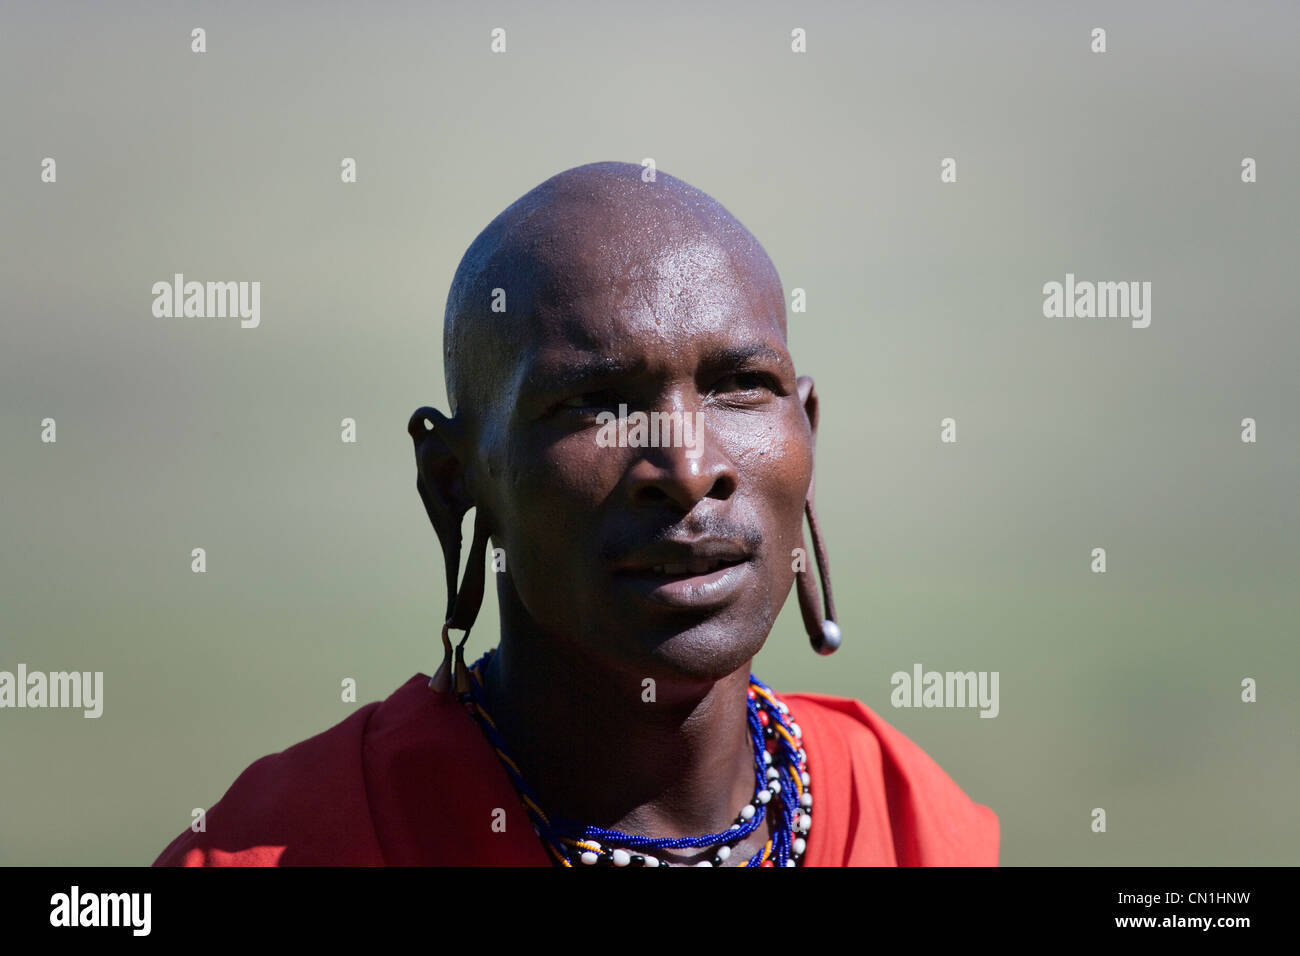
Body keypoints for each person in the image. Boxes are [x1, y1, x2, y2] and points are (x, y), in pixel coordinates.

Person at [154, 161, 998, 867]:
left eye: (742, 386)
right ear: (454, 481)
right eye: (597, 402)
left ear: (806, 437)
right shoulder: (290, 845)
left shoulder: (912, 822)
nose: (690, 468)